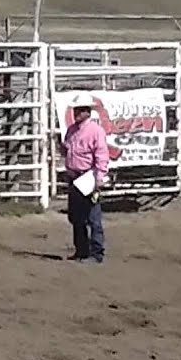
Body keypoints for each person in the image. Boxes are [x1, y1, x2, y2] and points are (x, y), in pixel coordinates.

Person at [60, 93, 110, 263]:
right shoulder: (72, 130)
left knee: (92, 217)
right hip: (75, 176)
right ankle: (81, 250)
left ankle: (96, 253)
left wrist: (99, 177)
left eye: (80, 110)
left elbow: (102, 155)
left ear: (88, 112)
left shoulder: (96, 131)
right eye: (76, 110)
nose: (77, 113)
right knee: (76, 217)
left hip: (88, 176)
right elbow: (67, 150)